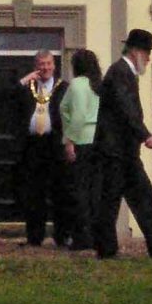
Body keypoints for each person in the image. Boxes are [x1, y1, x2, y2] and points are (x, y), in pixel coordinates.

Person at [91, 28, 152, 259]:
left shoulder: (126, 73)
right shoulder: (119, 72)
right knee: (110, 200)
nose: (149, 58)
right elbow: (125, 108)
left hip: (125, 151)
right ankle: (107, 248)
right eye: (147, 53)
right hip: (114, 150)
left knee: (143, 196)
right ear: (136, 51)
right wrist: (145, 135)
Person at [16, 49, 78, 248]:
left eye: (49, 63)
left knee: (60, 191)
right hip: (33, 145)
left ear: (54, 65)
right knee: (34, 192)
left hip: (56, 144)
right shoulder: (28, 87)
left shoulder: (64, 87)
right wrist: (24, 80)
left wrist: (70, 142)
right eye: (41, 64)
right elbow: (11, 101)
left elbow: (72, 115)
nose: (45, 68)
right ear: (36, 66)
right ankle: (34, 236)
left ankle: (62, 235)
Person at [59, 48, 103, 252]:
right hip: (99, 141)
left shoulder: (77, 85)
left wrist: (69, 141)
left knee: (79, 191)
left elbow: (77, 117)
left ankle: (81, 237)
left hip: (81, 141)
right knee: (95, 192)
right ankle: (97, 235)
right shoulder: (98, 85)